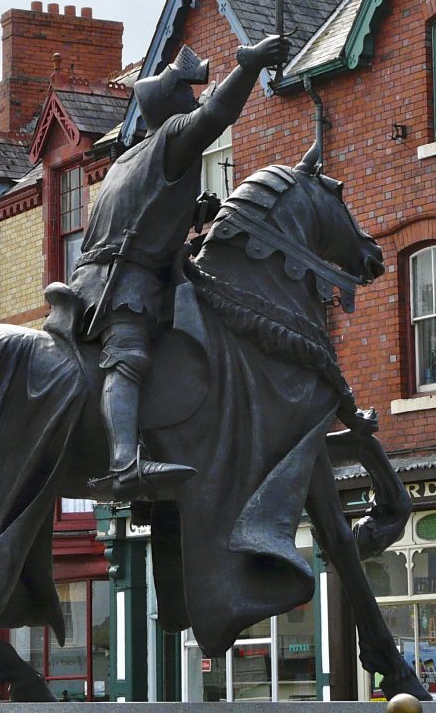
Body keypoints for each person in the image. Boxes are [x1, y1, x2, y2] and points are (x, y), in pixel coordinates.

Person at [70, 33, 290, 500]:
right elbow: (217, 115)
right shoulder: (171, 136)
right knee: (127, 358)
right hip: (123, 283)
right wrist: (248, 66)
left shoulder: (125, 160)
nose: (193, 102)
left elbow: (144, 214)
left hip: (89, 279)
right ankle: (125, 461)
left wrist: (191, 213)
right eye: (187, 95)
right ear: (171, 105)